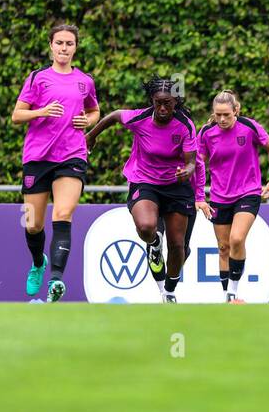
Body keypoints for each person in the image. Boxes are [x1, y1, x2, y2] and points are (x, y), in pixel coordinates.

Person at [86, 77, 200, 302]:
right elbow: (116, 115)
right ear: (152, 101)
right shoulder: (140, 117)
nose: (163, 108)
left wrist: (187, 171)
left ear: (175, 102)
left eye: (168, 103)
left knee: (178, 246)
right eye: (158, 103)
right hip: (145, 181)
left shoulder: (185, 124)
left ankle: (168, 292)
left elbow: (191, 161)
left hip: (176, 186)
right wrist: (91, 135)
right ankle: (154, 244)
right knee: (147, 227)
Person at [12, 23, 99, 302]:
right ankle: (39, 262)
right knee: (32, 223)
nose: (64, 48)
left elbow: (94, 110)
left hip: (72, 155)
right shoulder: (38, 78)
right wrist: (42, 111)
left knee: (62, 214)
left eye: (69, 44)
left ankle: (56, 281)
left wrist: (89, 121)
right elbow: (16, 115)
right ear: (51, 45)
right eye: (59, 43)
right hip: (37, 157)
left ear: (75, 47)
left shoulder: (84, 81)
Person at [197, 91, 269, 302]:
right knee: (223, 248)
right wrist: (198, 196)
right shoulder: (206, 133)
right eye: (218, 115)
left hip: (248, 193)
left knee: (236, 238)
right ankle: (227, 297)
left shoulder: (249, 127)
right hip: (218, 196)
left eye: (226, 114)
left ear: (236, 110)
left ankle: (233, 291)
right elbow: (197, 165)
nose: (222, 119)